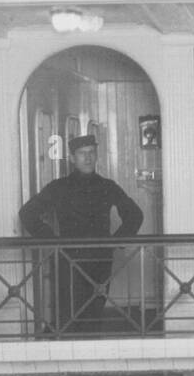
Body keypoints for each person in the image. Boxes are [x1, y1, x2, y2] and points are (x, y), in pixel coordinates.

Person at [18, 133, 143, 332]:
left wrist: (115, 242)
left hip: (100, 261)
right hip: (68, 261)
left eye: (92, 153)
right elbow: (27, 213)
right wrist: (52, 241)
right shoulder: (58, 187)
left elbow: (135, 215)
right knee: (68, 315)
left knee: (94, 314)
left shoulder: (107, 186)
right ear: (73, 158)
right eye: (82, 153)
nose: (88, 158)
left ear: (97, 156)